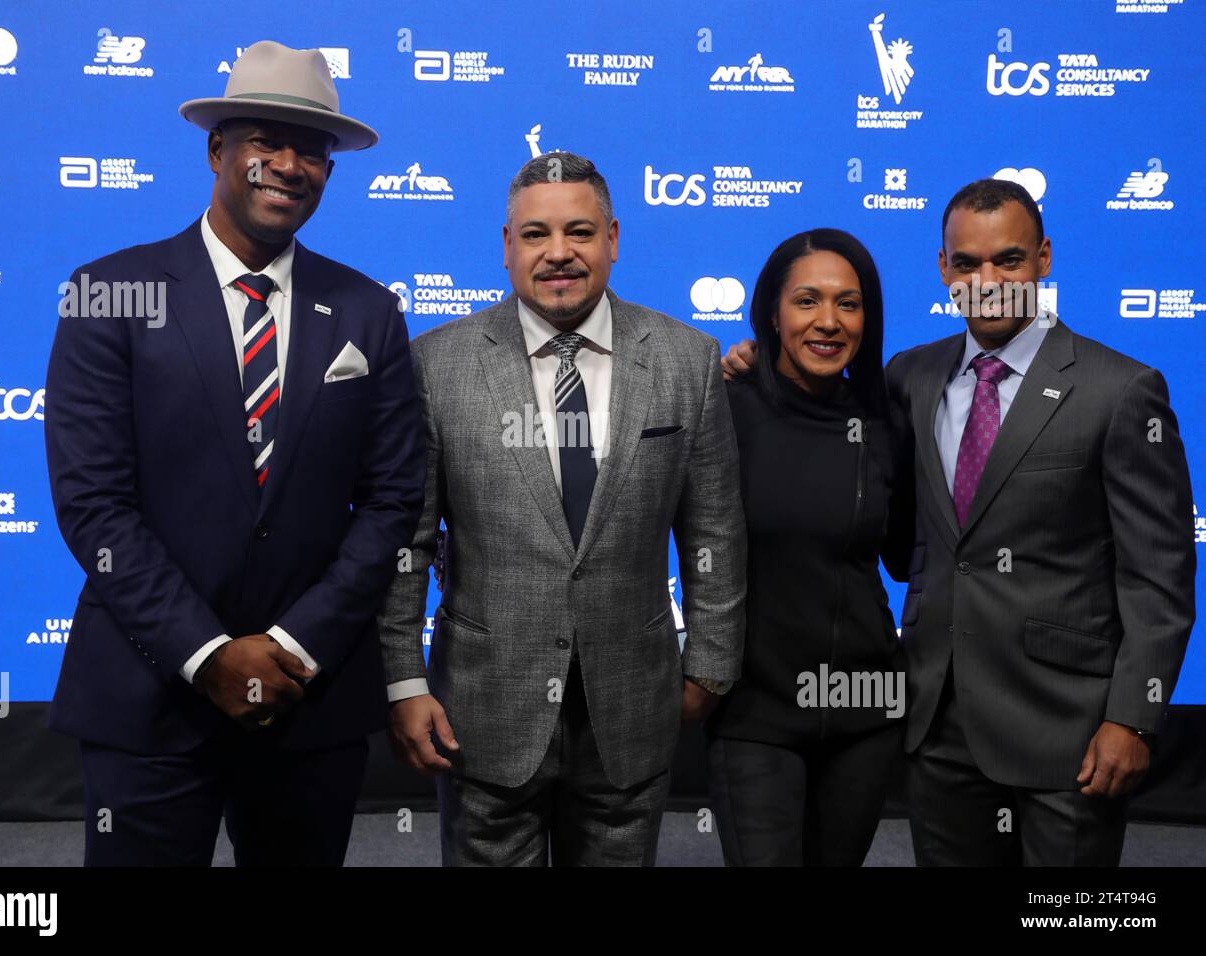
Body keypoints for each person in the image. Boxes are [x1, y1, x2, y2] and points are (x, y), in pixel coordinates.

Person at [723, 179, 1195, 866]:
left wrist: (1132, 717)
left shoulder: (1120, 389)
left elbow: (1160, 576)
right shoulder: (907, 380)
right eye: (968, 263)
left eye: (1008, 259)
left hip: (1068, 734)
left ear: (1043, 259)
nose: (989, 280)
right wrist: (753, 363)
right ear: (944, 270)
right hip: (935, 728)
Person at [43, 41, 425, 865]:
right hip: (148, 693)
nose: (289, 164)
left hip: (310, 699)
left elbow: (395, 499)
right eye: (265, 140)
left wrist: (289, 648)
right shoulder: (108, 292)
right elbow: (93, 504)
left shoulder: (368, 310)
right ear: (217, 151)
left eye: (312, 148)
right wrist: (209, 655)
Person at [377, 152, 746, 866]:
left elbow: (716, 531)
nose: (558, 254)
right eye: (536, 234)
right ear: (507, 247)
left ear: (613, 237)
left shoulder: (685, 358)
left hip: (634, 705)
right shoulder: (437, 363)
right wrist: (403, 678)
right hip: (481, 707)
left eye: (578, 232)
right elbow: (408, 540)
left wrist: (709, 666)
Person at [707, 228, 906, 866]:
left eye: (849, 303)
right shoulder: (723, 408)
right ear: (771, 311)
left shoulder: (885, 420)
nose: (828, 321)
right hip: (755, 714)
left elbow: (907, 556)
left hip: (865, 710)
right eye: (807, 301)